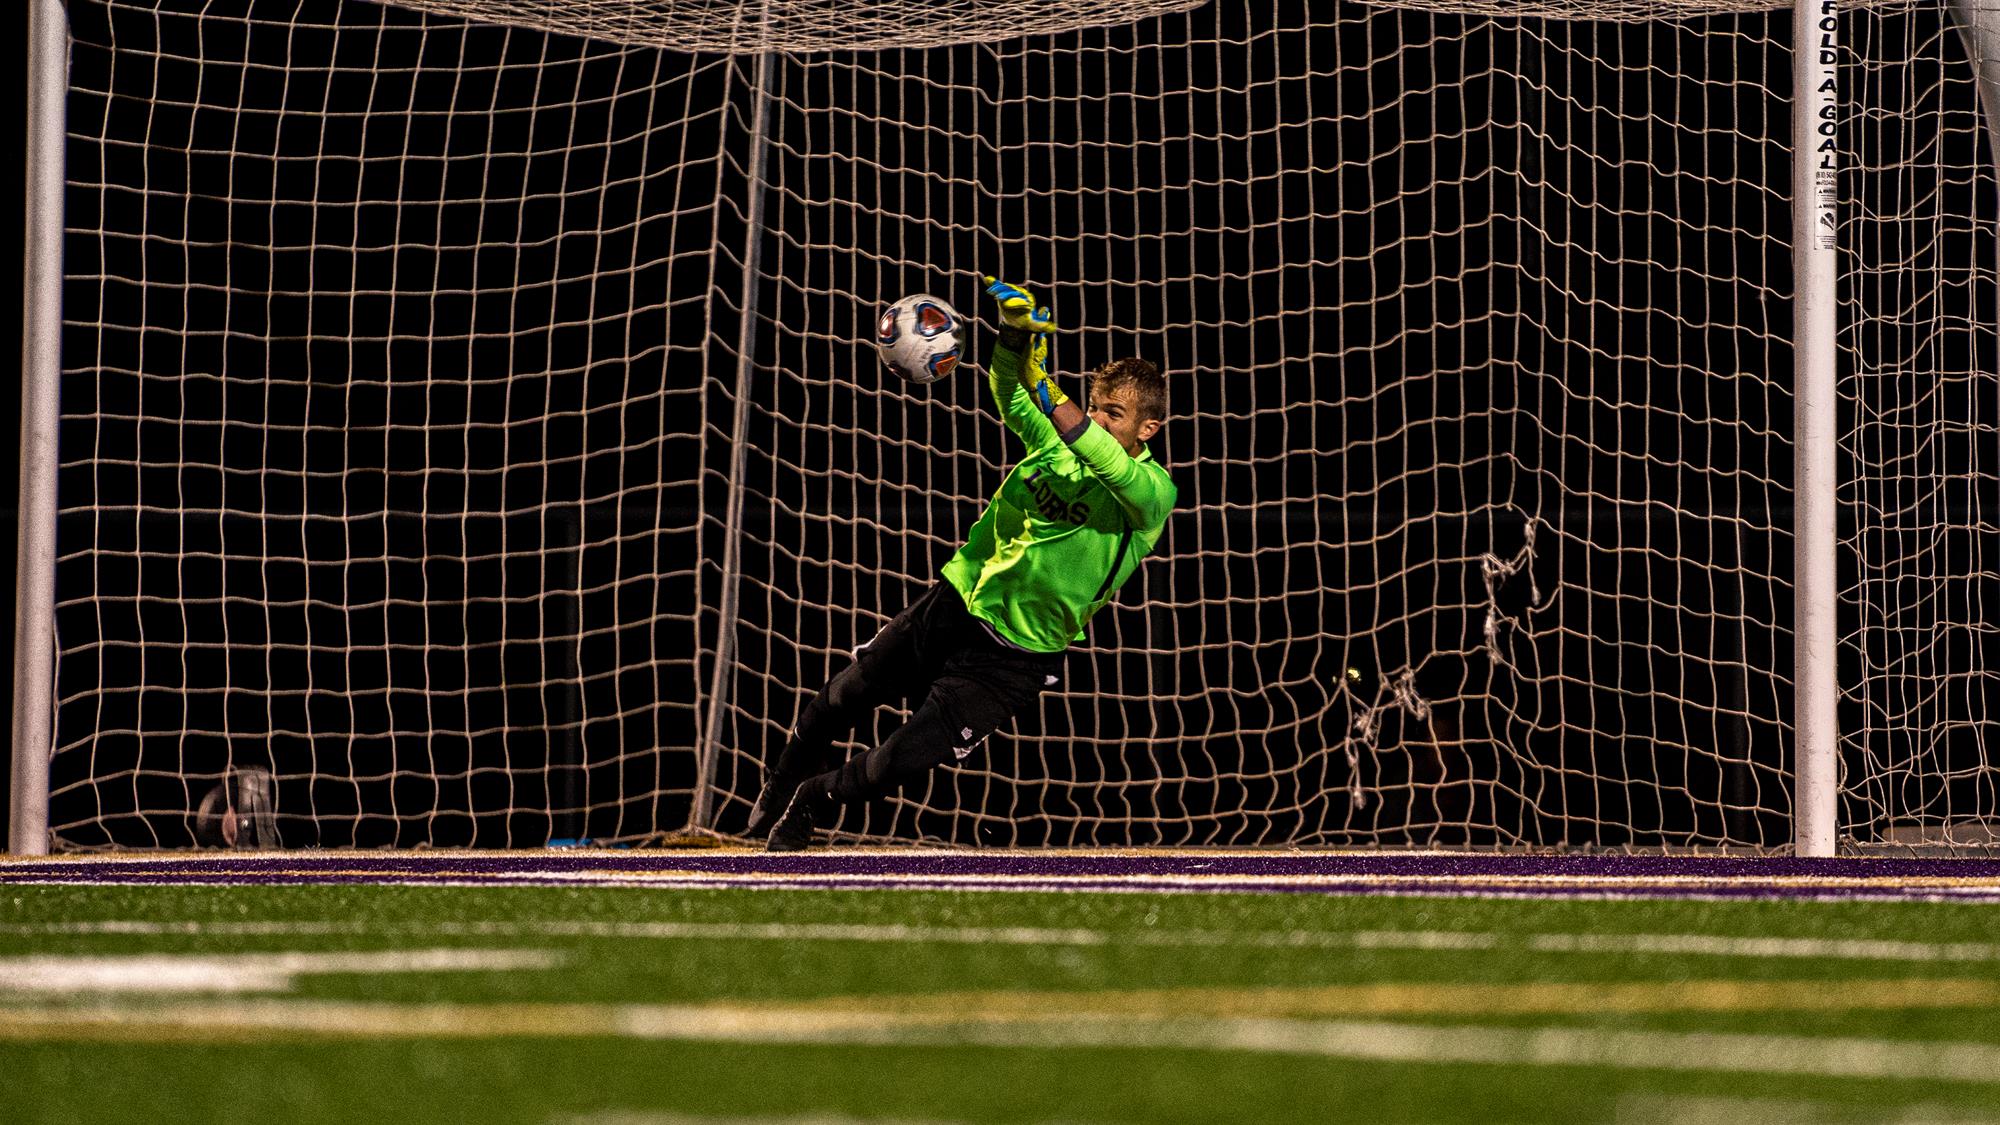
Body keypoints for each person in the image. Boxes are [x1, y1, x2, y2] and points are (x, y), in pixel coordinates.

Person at [747, 276, 1179, 851]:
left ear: (1147, 428)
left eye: (1115, 415)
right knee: (844, 696)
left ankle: (813, 799)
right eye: (1096, 408)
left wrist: (1044, 385)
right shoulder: (1056, 448)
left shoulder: (1151, 493)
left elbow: (1098, 452)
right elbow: (1010, 393)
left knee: (900, 761)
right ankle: (777, 789)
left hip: (1017, 653)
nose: (1099, 421)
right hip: (957, 600)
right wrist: (1011, 341)